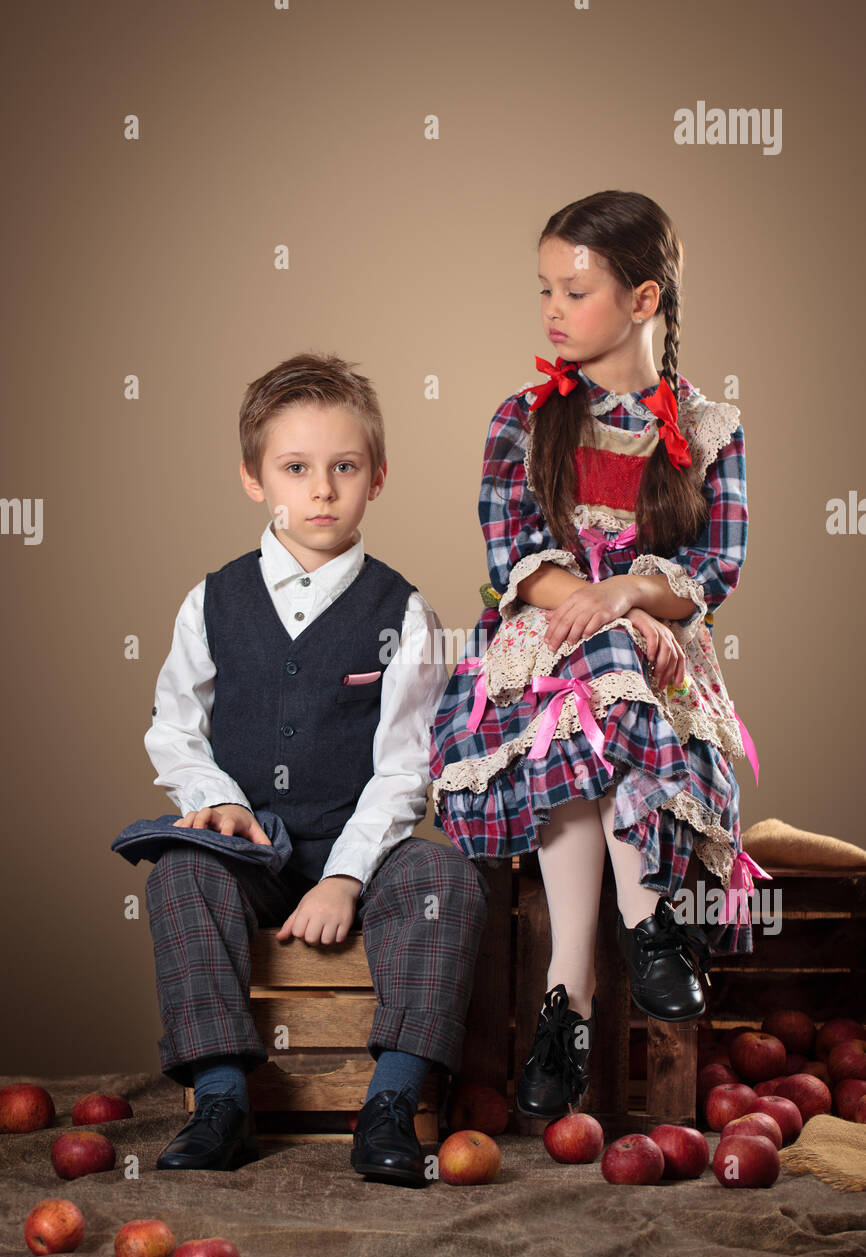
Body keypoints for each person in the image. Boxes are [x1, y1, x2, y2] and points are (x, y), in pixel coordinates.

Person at [112, 351, 489, 1187]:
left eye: (344, 468)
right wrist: (214, 801)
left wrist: (347, 879)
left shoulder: (404, 612)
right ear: (254, 478)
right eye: (296, 469)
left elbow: (402, 771)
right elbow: (173, 729)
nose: (322, 491)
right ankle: (221, 1100)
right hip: (252, 853)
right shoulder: (211, 601)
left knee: (448, 878)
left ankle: (390, 1101)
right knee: (178, 875)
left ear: (377, 477)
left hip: (361, 854)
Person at [430, 190, 764, 1122]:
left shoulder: (709, 429)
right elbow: (513, 559)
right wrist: (600, 607)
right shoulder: (523, 419)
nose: (551, 310)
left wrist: (631, 596)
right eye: (544, 289)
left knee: (611, 704)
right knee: (577, 713)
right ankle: (644, 920)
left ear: (644, 299)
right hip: (540, 653)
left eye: (573, 290)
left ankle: (563, 1001)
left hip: (662, 661)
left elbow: (715, 567)